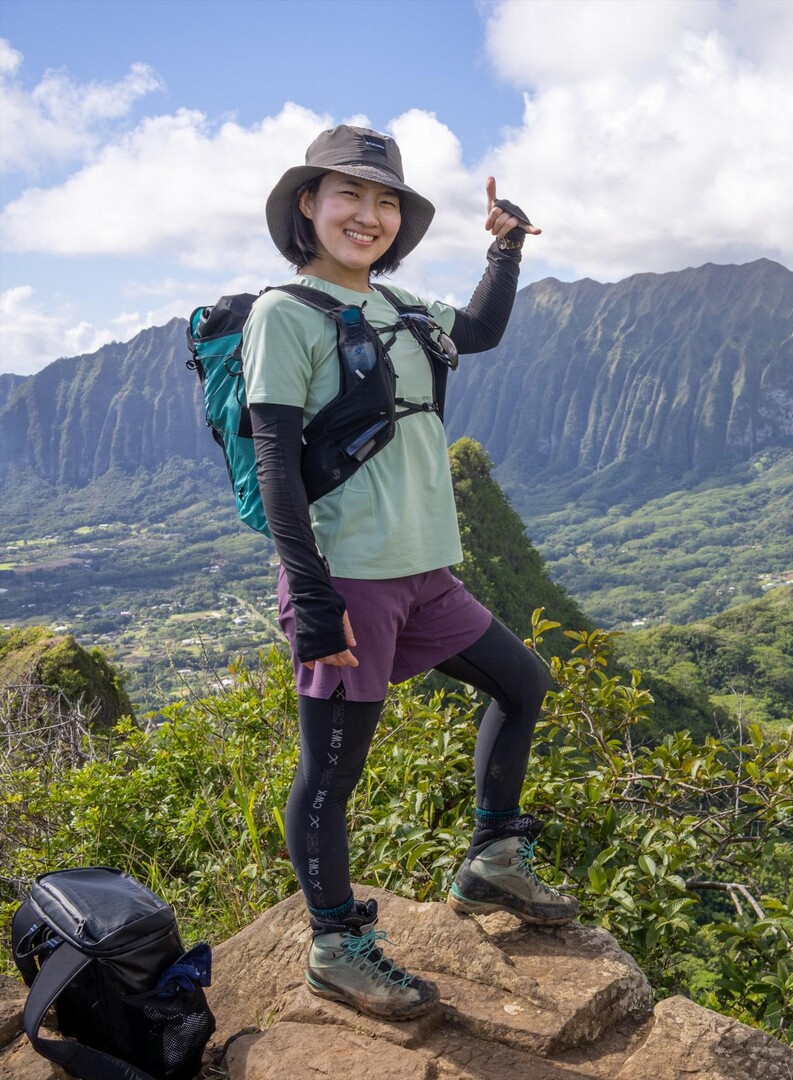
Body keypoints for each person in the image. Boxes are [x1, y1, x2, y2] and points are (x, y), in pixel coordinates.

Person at [244, 124, 574, 1021]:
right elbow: (274, 460)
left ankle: (493, 857)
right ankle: (336, 948)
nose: (370, 214)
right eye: (348, 194)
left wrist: (503, 248)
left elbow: (481, 330)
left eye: (386, 199)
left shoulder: (401, 308)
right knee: (332, 772)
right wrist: (310, 594)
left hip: (426, 572)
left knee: (522, 680)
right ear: (307, 205)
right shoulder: (287, 314)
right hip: (348, 579)